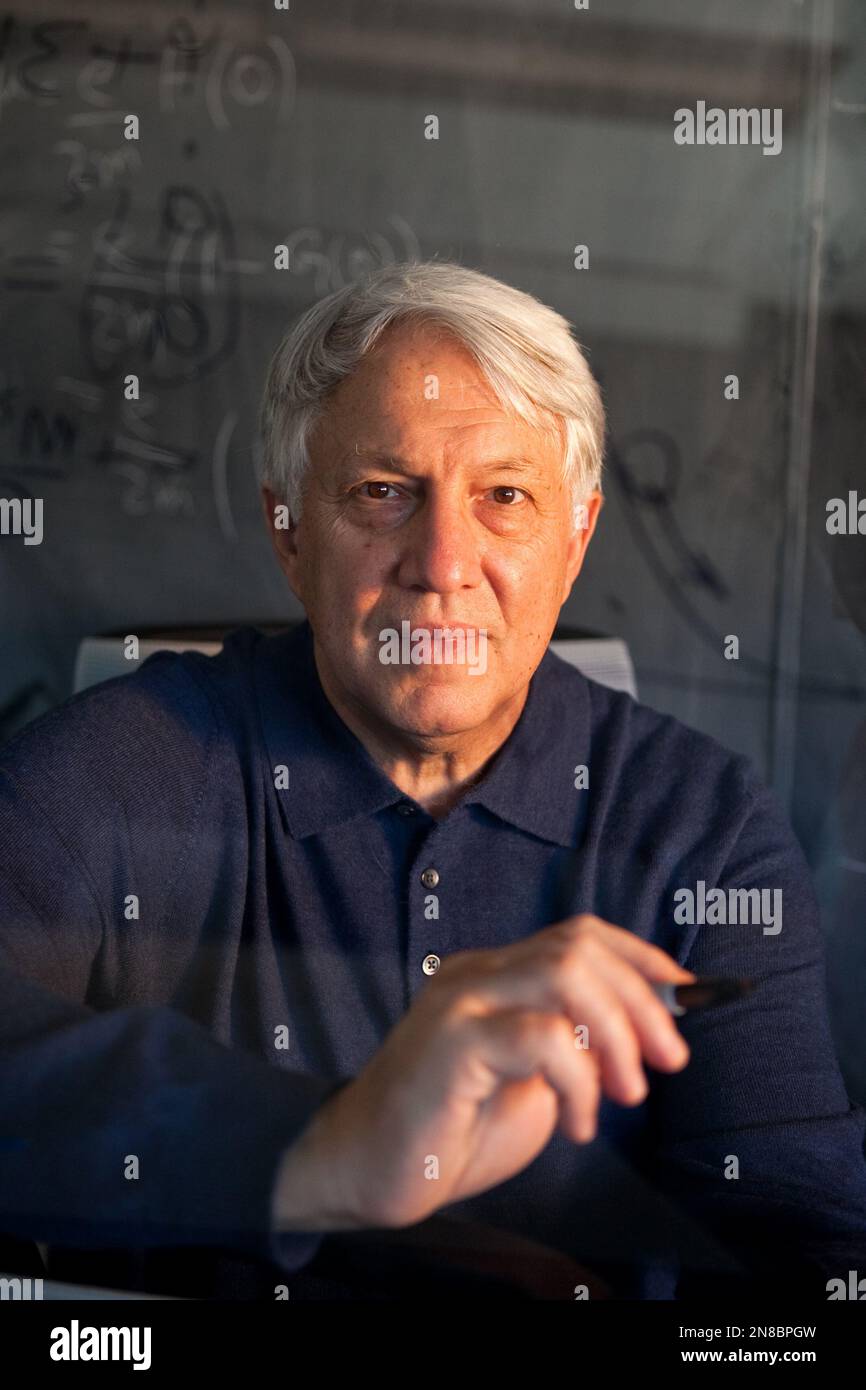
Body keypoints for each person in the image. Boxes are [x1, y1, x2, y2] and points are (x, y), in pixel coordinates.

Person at [1, 261, 864, 1300]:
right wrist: (322, 1148)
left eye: (503, 496)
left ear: (576, 533)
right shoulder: (118, 766)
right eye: (382, 493)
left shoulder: (703, 830)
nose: (441, 559)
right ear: (287, 531)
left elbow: (800, 1256)